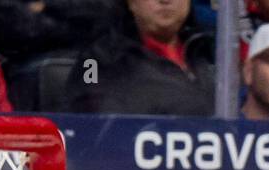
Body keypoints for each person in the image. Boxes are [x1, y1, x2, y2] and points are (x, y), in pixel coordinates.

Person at [62, 0, 215, 116]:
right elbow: (95, 128)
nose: (165, 0)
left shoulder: (211, 53)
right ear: (131, 3)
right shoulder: (96, 61)